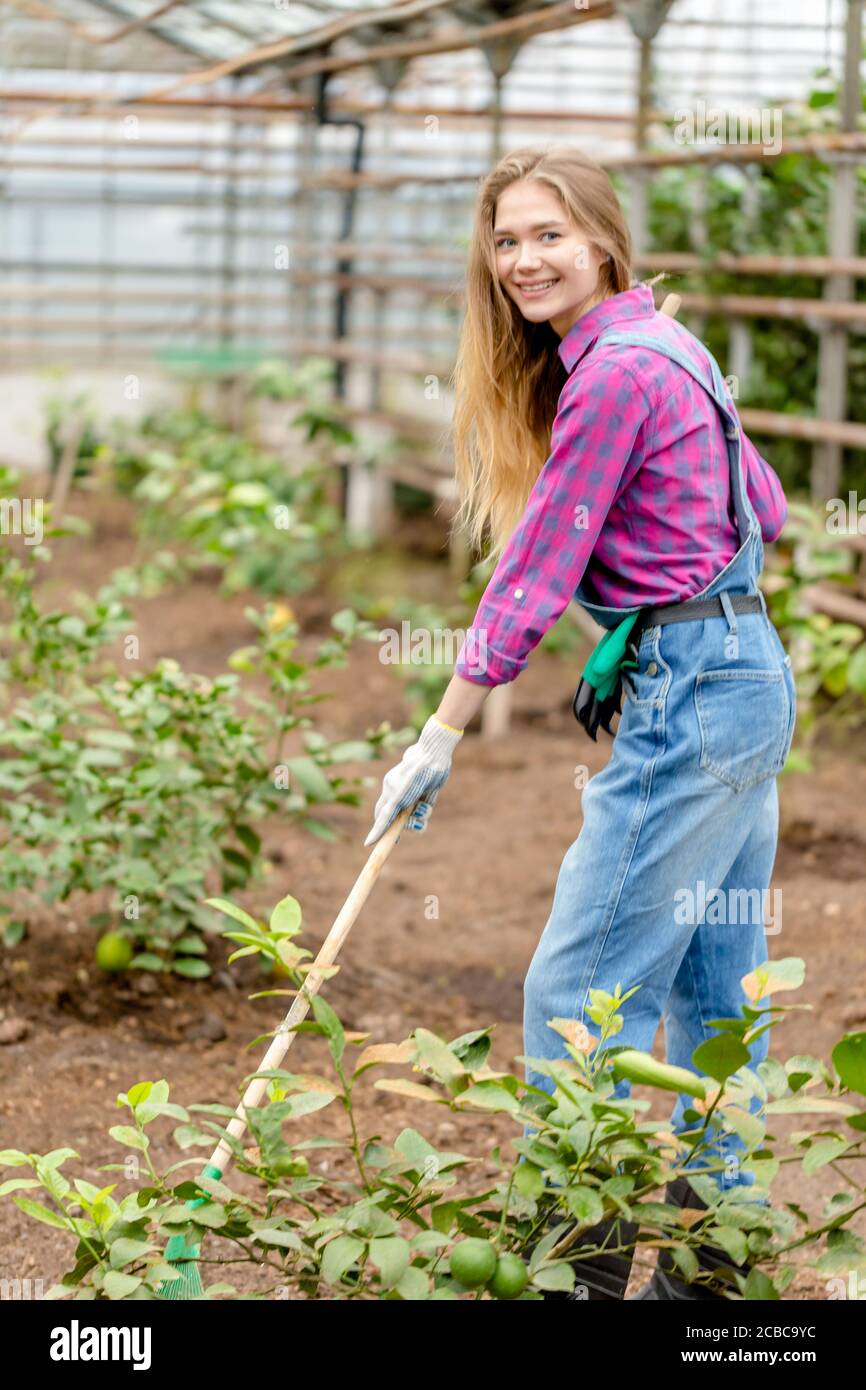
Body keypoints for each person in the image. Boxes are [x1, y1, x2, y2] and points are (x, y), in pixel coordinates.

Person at [363, 145, 796, 1300]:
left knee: (577, 997)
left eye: (545, 234)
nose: (520, 259)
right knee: (716, 996)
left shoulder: (608, 374)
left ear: (600, 239)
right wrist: (645, 617)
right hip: (744, 673)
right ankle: (711, 1272)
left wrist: (439, 734)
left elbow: (534, 572)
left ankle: (571, 1278)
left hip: (694, 694)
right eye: (503, 240)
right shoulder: (672, 346)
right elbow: (766, 506)